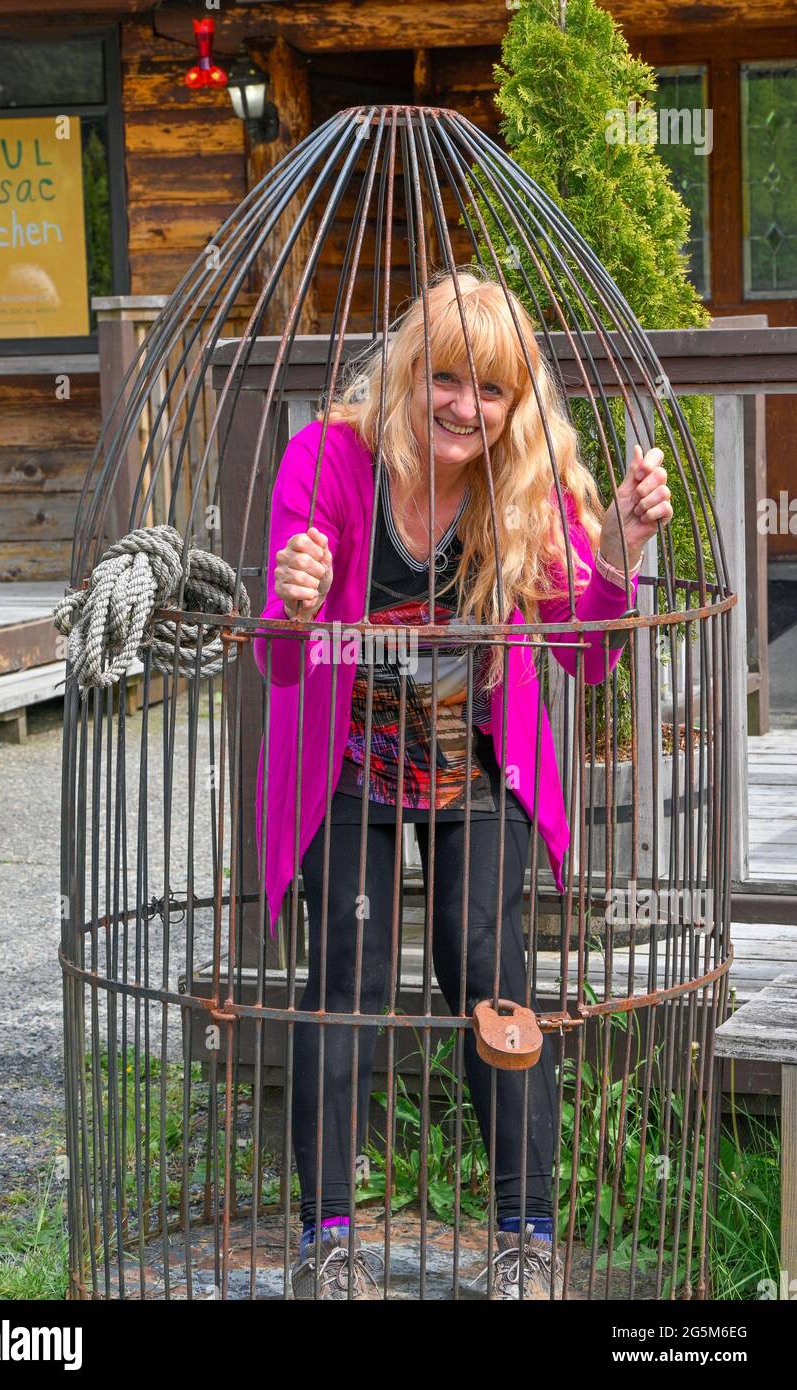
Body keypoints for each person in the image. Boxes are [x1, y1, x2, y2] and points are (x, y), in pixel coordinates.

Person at [251, 266, 673, 1299]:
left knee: (487, 973)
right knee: (342, 981)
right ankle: (328, 1240)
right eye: (444, 378)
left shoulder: (521, 485)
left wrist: (618, 547)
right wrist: (291, 603)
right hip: (342, 765)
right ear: (406, 374)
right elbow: (275, 660)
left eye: (489, 390)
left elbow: (584, 651)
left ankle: (526, 1239)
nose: (463, 407)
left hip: (477, 768)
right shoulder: (327, 457)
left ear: (516, 404)